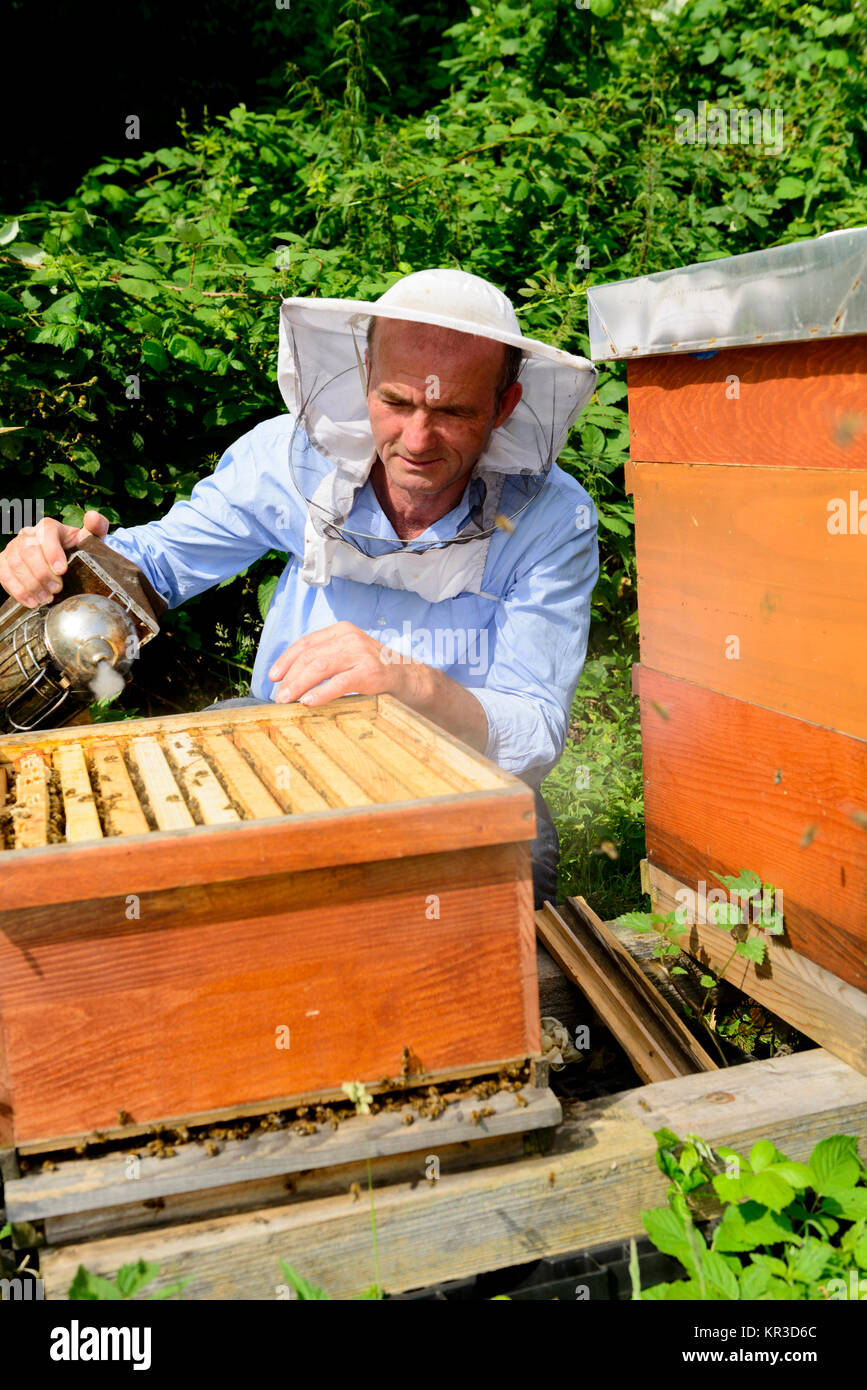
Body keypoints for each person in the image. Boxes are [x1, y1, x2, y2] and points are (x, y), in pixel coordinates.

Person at [0, 268, 599, 906]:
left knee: (516, 872)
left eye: (453, 411)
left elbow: (534, 724)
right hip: (279, 729)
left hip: (456, 772)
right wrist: (67, 557)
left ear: (505, 406)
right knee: (166, 829)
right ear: (367, 373)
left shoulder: (553, 519)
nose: (417, 440)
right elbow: (159, 565)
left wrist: (409, 683)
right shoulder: (293, 458)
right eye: (396, 401)